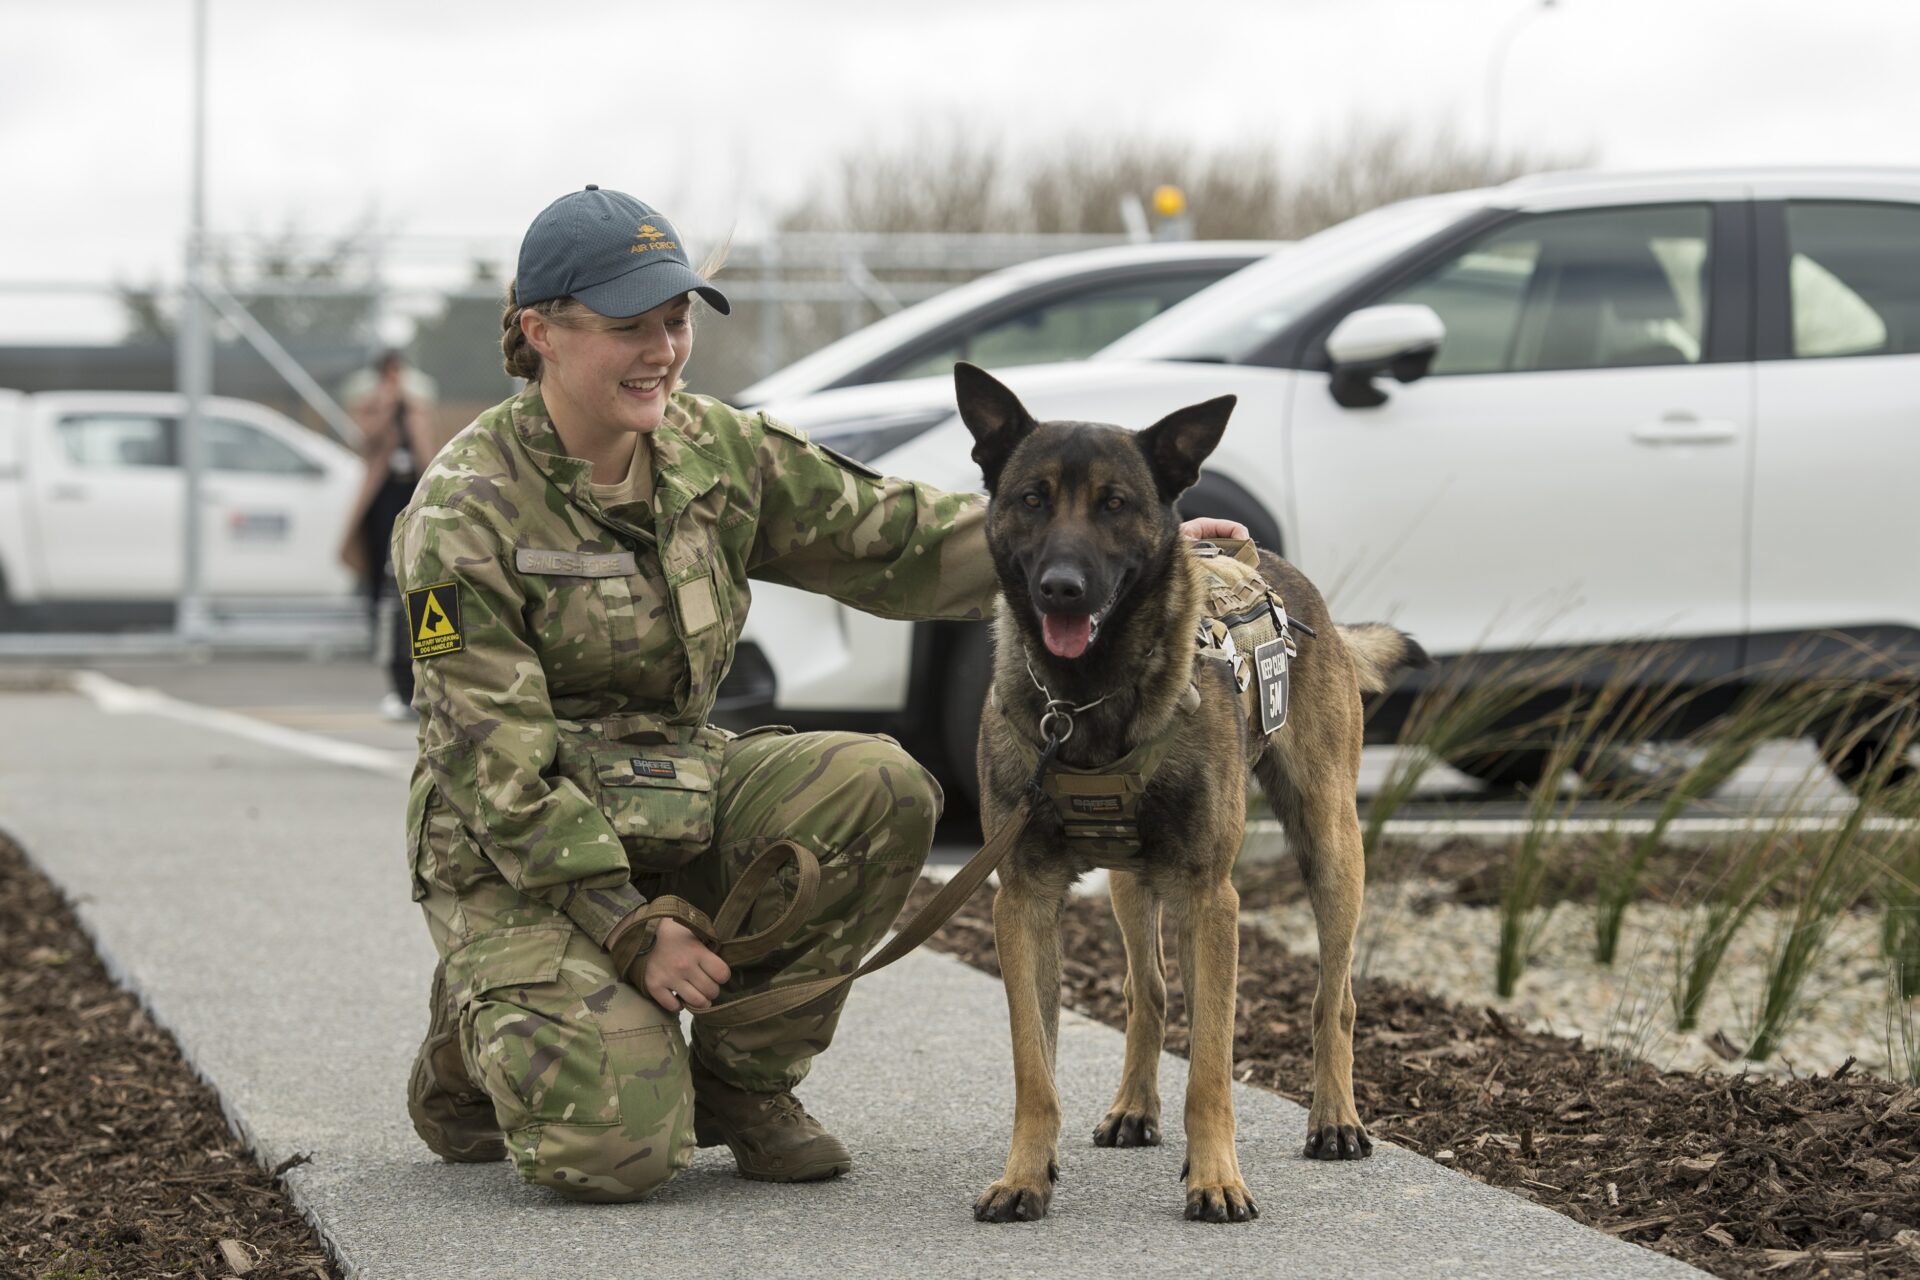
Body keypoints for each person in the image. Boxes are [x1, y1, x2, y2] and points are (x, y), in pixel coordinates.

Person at [397, 184, 1250, 1203]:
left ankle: (742, 1081)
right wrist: (627, 925)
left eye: (676, 322)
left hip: (668, 792)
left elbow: (892, 534)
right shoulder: (462, 511)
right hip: (521, 851)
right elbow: (494, 768)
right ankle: (472, 1036)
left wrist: (1127, 543)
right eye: (629, 327)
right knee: (618, 1153)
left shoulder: (713, 451)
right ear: (540, 332)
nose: (664, 351)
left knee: (883, 786)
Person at [339, 350, 439, 719]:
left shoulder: (418, 403)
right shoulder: (368, 403)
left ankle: (413, 646)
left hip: (410, 487)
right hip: (381, 493)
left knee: (414, 565)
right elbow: (363, 441)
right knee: (379, 568)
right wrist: (384, 408)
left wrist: (409, 410)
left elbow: (427, 449)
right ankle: (380, 638)